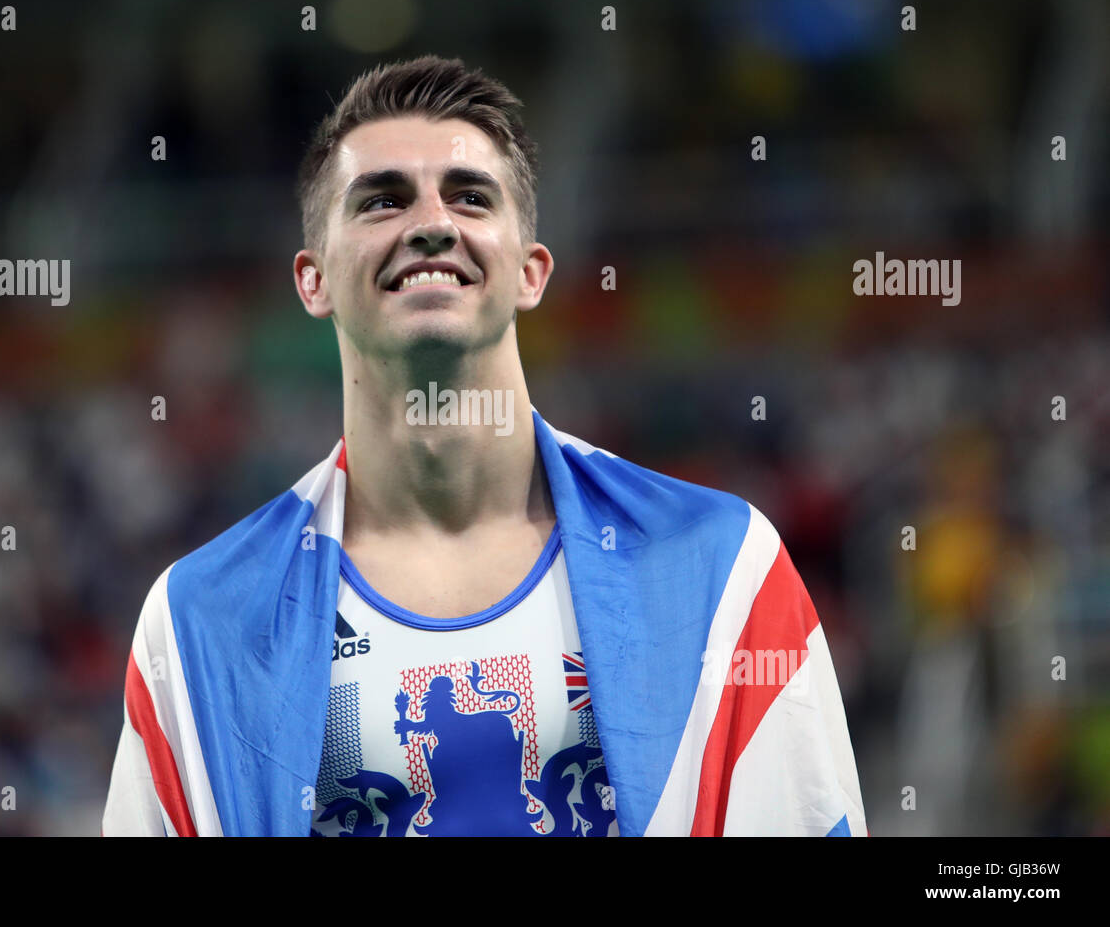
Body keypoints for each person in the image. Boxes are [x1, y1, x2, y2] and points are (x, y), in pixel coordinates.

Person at [101, 55, 867, 837]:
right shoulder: (199, 625)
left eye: (470, 196)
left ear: (532, 271)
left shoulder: (720, 572)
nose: (431, 222)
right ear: (312, 279)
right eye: (382, 199)